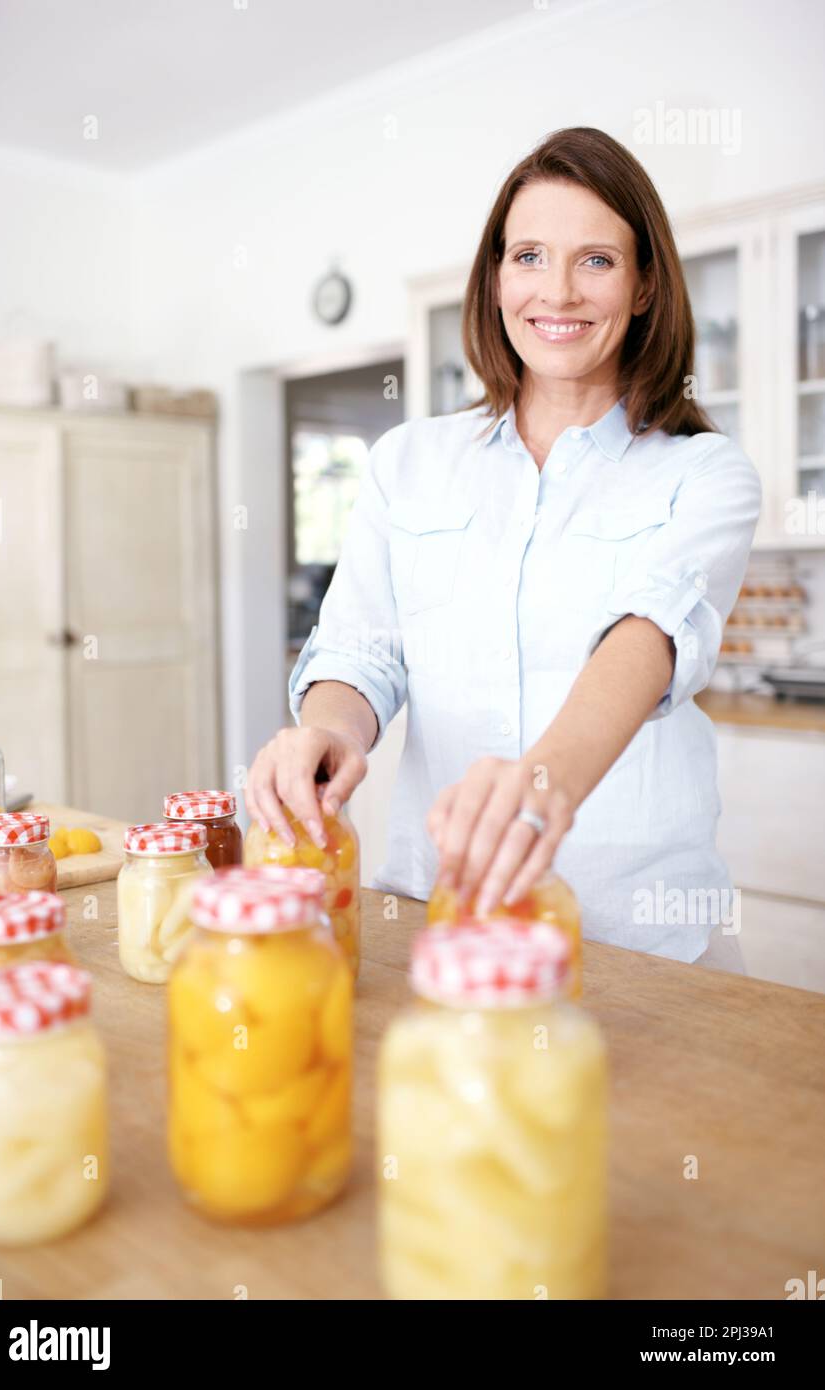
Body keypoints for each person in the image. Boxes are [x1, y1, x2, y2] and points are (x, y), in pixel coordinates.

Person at [245, 127, 761, 970]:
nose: (556, 290)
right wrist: (330, 731)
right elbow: (358, 650)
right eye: (528, 255)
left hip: (637, 941)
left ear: (643, 287)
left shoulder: (704, 475)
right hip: (440, 921)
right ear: (494, 280)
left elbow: (649, 634)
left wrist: (541, 785)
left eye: (596, 260)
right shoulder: (407, 464)